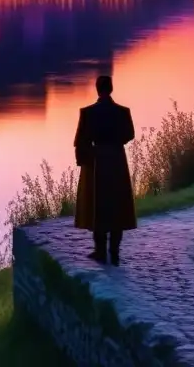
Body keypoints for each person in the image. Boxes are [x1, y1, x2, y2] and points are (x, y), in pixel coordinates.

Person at [73, 75, 137, 265]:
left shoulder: (88, 113)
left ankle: (100, 251)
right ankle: (114, 252)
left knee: (97, 204)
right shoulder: (123, 112)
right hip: (117, 158)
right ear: (111, 88)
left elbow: (80, 140)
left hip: (96, 160)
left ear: (97, 89)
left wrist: (83, 159)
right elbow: (129, 134)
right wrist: (116, 143)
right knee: (117, 204)